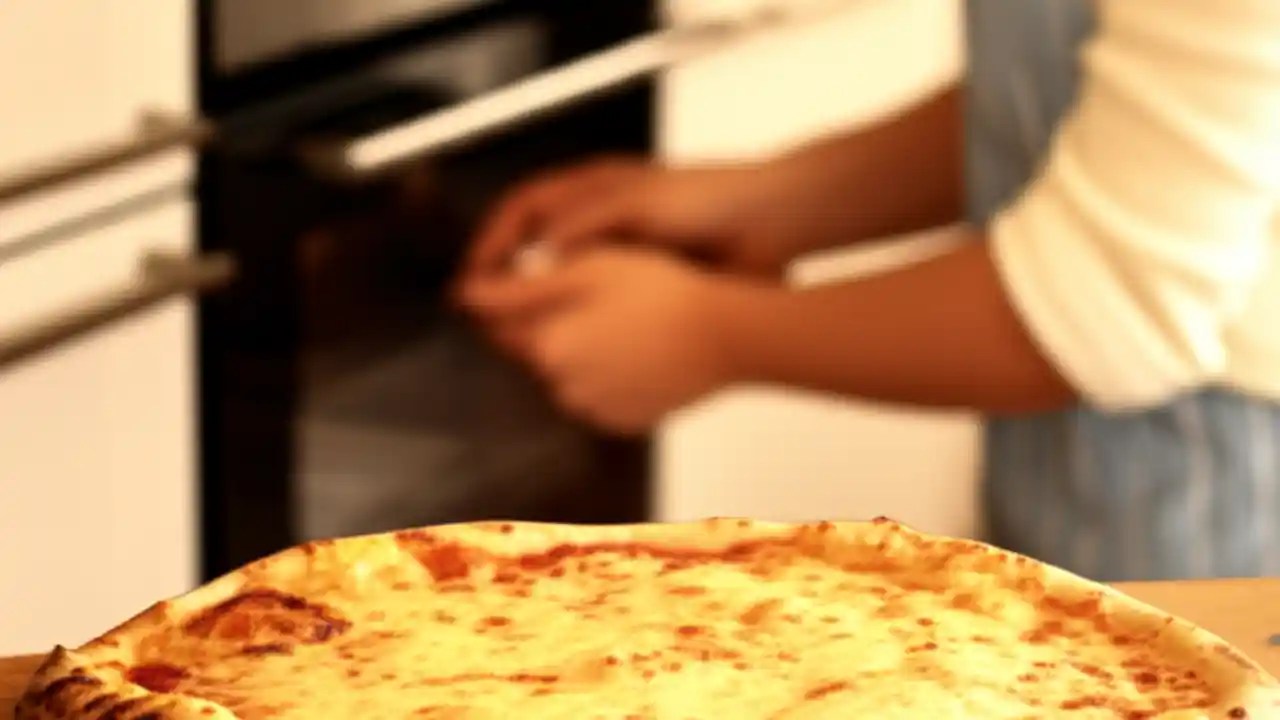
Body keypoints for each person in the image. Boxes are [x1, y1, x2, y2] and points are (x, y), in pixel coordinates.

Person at [458, 0, 1280, 582]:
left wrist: (708, 335)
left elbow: (1113, 311)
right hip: (1081, 477)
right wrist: (759, 201)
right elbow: (1090, 102)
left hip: (1222, 508)